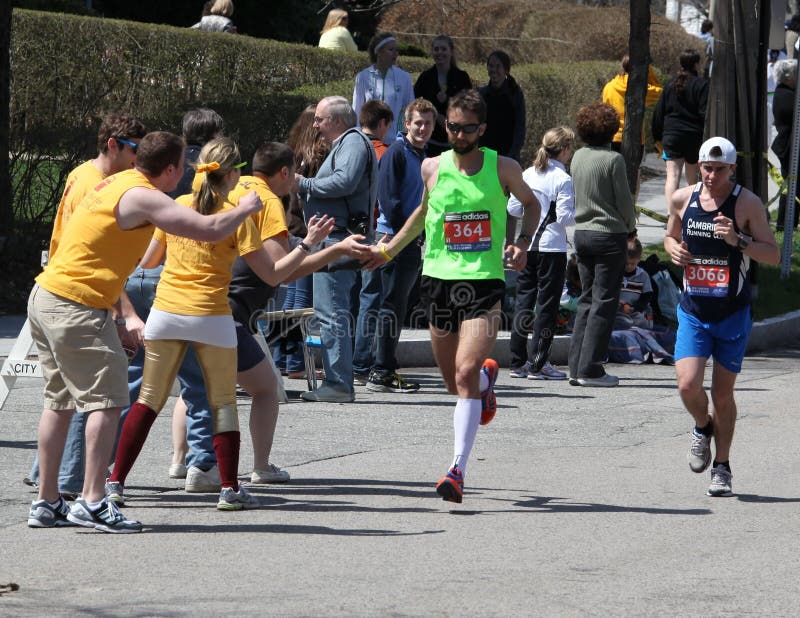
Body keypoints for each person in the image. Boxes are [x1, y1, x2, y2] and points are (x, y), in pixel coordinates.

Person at [26, 130, 264, 532]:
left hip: (48, 295)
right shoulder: (146, 196)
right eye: (180, 171)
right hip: (76, 306)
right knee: (107, 401)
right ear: (169, 169)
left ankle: (47, 501)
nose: (183, 180)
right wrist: (246, 208)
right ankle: (93, 501)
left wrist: (123, 313)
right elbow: (205, 229)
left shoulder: (115, 181)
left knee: (60, 401)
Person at [106, 137, 334, 511]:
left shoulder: (177, 205)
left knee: (148, 401)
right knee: (224, 402)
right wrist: (308, 244)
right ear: (232, 176)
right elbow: (274, 274)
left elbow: (147, 262)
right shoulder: (238, 216)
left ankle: (115, 482)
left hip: (165, 313)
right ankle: (229, 488)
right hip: (211, 316)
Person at [364, 90, 541, 503]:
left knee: (462, 374)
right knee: (453, 381)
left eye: (465, 128)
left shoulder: (504, 168)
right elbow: (423, 214)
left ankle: (456, 470)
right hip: (438, 281)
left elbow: (531, 205)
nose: (456, 133)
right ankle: (485, 383)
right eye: (452, 126)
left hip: (484, 283)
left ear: (482, 129)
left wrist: (523, 242)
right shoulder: (432, 167)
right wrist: (387, 251)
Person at [25, 113, 146, 500]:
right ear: (112, 144)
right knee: (100, 400)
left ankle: (49, 491)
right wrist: (124, 312)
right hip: (78, 297)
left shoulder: (83, 173)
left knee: (61, 401)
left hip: (58, 291)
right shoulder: (98, 184)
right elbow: (94, 258)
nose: (138, 160)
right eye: (134, 150)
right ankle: (78, 490)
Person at [664, 137, 780, 497]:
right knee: (687, 385)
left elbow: (773, 255)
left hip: (731, 313)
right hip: (694, 311)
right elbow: (669, 236)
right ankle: (703, 427)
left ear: (732, 169)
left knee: (722, 394)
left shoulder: (747, 203)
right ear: (698, 166)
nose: (711, 175)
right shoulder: (683, 199)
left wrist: (739, 241)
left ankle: (723, 466)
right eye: (706, 168)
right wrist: (674, 252)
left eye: (719, 169)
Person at [295, 96, 378, 403]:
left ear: (337, 121)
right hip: (337, 238)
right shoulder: (350, 142)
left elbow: (344, 181)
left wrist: (303, 184)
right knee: (333, 311)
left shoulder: (353, 142)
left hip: (338, 241)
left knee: (331, 312)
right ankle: (338, 381)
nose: (315, 125)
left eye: (319, 119)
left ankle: (339, 384)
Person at [363, 97, 436, 393]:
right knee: (391, 306)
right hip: (396, 240)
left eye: (428, 123)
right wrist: (405, 236)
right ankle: (381, 371)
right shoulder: (396, 152)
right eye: (417, 122)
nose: (423, 128)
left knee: (395, 305)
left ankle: (382, 367)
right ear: (406, 124)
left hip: (409, 239)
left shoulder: (423, 155)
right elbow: (390, 201)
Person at [567, 103, 636, 388]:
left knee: (586, 299)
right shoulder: (613, 160)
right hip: (609, 234)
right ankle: (592, 368)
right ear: (611, 129)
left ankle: (575, 366)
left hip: (582, 233)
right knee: (604, 301)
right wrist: (631, 227)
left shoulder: (578, 156)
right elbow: (624, 201)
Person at [507, 126, 576, 381]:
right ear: (565, 150)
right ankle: (539, 363)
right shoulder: (563, 178)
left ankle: (516, 361)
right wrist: (582, 211)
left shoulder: (528, 173)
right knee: (547, 306)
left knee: (524, 301)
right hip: (552, 247)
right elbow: (565, 217)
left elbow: (513, 207)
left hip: (527, 244)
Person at [274, 105, 331, 379]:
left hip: (290, 226)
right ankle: (296, 362)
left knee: (288, 300)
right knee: (303, 300)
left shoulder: (291, 153)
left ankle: (282, 359)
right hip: (308, 230)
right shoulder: (320, 155)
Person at [352, 100, 395, 385]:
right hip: (377, 229)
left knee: (354, 297)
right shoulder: (385, 153)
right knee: (373, 297)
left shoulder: (346, 148)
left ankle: (353, 361)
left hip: (347, 228)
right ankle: (363, 361)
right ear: (382, 124)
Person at [652, 49, 708, 209]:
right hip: (693, 136)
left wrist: (657, 136)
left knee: (672, 176)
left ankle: (673, 215)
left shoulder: (670, 84)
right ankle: (691, 212)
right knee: (693, 179)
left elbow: (659, 112)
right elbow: (704, 113)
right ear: (696, 64)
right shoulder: (702, 85)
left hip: (671, 135)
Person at [413, 34, 473, 157]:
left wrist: (448, 101)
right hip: (429, 140)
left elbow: (468, 106)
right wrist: (436, 116)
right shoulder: (425, 77)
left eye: (444, 49)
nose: (439, 52)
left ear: (451, 51)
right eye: (436, 49)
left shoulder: (462, 77)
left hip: (455, 140)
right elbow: (415, 105)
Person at [353, 32, 415, 144]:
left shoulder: (404, 77)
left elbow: (408, 110)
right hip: (369, 142)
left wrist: (403, 136)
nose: (395, 54)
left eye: (397, 50)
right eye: (391, 50)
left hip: (395, 142)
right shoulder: (362, 77)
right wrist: (359, 139)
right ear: (378, 52)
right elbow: (357, 111)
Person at [601, 55, 662, 152]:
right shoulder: (641, 88)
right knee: (631, 167)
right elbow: (660, 91)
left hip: (614, 136)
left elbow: (604, 112)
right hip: (635, 137)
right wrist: (648, 71)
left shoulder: (609, 87)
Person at [771, 58, 799, 231]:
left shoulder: (787, 93)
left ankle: (788, 223)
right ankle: (784, 224)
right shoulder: (786, 96)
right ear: (789, 77)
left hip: (789, 146)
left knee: (792, 187)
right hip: (789, 148)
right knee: (791, 187)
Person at [613, 237, 653, 330]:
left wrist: (634, 308)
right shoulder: (615, 273)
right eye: (626, 263)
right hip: (616, 309)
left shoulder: (643, 275)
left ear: (639, 259)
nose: (629, 266)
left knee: (641, 320)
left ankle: (628, 325)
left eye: (633, 263)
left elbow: (646, 297)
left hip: (634, 311)